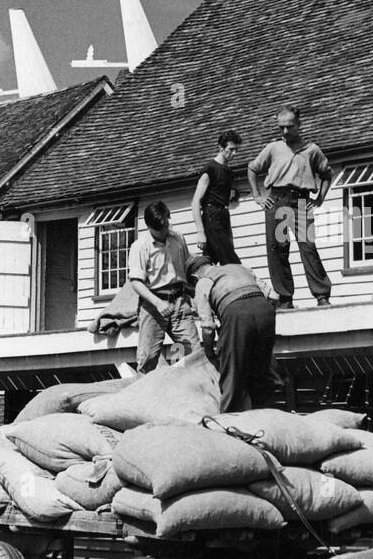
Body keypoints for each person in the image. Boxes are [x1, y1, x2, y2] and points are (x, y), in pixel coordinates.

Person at [247, 104, 333, 310]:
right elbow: (252, 168)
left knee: (308, 247)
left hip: (301, 202)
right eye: (281, 127)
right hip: (277, 200)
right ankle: (285, 299)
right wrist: (258, 196)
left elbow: (327, 174)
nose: (285, 132)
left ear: (299, 125)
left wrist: (320, 198)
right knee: (278, 249)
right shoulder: (273, 148)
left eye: (289, 127)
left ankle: (321, 295)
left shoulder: (312, 150)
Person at [188, 254, 278, 413]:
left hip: (236, 314)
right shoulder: (241, 268)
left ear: (194, 276)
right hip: (265, 311)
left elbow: (208, 327)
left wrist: (210, 353)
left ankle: (229, 424)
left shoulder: (203, 282)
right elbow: (273, 296)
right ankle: (267, 418)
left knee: (232, 376)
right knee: (262, 373)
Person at [127, 200, 198, 373]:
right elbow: (136, 282)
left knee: (193, 353)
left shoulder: (178, 238)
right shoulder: (140, 246)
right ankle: (144, 397)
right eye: (160, 227)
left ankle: (185, 392)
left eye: (167, 222)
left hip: (179, 302)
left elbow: (188, 265)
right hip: (153, 305)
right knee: (148, 359)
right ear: (150, 227)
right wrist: (158, 303)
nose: (165, 229)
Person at [191, 129, 242, 265]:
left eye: (236, 150)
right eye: (231, 149)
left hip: (224, 215)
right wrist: (200, 232)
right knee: (231, 260)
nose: (234, 153)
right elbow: (195, 202)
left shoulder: (228, 171)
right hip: (211, 215)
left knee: (210, 260)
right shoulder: (210, 169)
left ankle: (201, 285)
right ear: (221, 148)